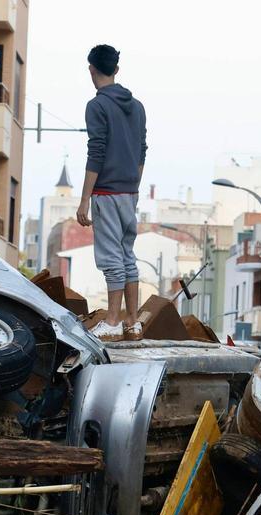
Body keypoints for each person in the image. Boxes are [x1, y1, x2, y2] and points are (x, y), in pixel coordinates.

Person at [76, 44, 147, 342]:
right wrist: (134, 187)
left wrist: (84, 200)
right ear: (116, 70)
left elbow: (97, 151)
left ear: (92, 69)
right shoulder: (138, 106)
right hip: (130, 191)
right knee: (128, 255)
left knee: (111, 257)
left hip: (105, 192)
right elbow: (142, 150)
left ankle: (114, 321)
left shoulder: (97, 106)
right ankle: (133, 323)